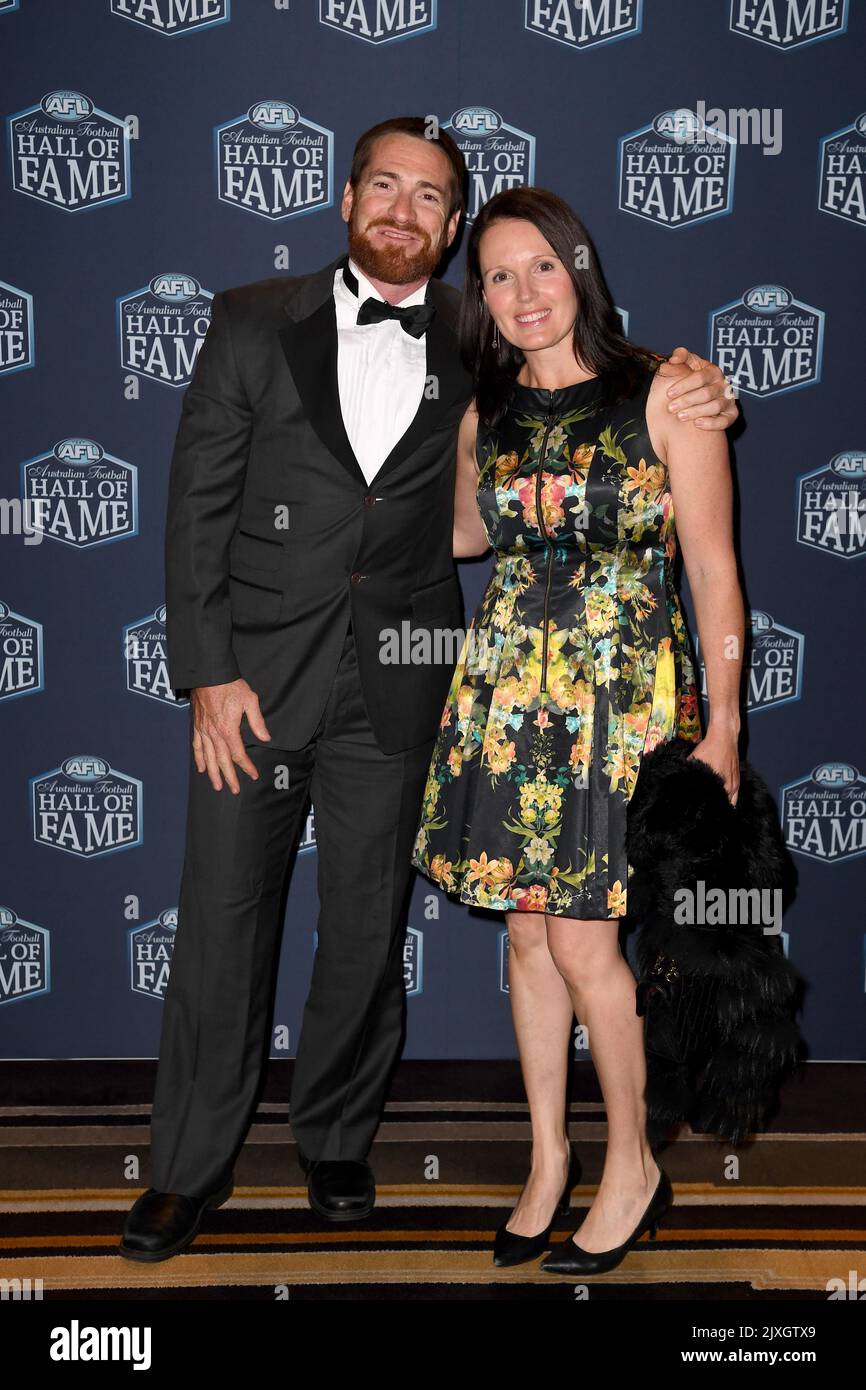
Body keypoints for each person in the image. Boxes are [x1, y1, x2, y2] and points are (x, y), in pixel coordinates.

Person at [119, 117, 737, 1262]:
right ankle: (184, 1168)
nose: (405, 212)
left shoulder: (477, 326)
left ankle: (338, 1142)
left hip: (409, 685)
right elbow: (194, 506)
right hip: (254, 683)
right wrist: (206, 671)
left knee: (364, 926)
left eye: (430, 199)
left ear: (451, 226)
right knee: (219, 926)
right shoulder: (252, 320)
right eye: (385, 189)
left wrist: (688, 378)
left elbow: (596, 381)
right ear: (348, 196)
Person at [411, 186, 745, 1275]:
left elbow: (708, 568)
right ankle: (548, 1159)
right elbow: (468, 532)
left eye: (540, 267)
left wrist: (723, 727)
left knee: (581, 938)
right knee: (522, 934)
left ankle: (632, 1165)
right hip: (507, 702)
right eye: (497, 276)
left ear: (579, 270)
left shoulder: (665, 397)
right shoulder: (483, 416)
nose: (521, 292)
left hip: (620, 700)